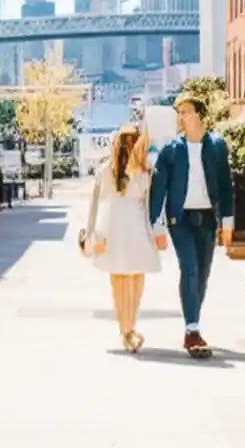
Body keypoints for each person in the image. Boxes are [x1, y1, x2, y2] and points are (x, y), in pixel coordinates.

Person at [148, 94, 234, 358]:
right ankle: (192, 330)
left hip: (207, 218)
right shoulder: (171, 150)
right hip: (180, 220)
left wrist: (227, 223)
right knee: (189, 269)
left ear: (199, 115)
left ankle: (193, 321)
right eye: (179, 112)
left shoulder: (217, 146)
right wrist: (157, 227)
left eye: (186, 111)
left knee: (203, 274)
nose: (181, 117)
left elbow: (225, 186)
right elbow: (158, 190)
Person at [81, 124, 163, 353]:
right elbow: (95, 205)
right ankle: (127, 329)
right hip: (123, 229)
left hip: (128, 229)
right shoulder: (112, 171)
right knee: (127, 278)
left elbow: (151, 206)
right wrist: (90, 233)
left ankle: (128, 328)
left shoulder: (141, 171)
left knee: (128, 278)